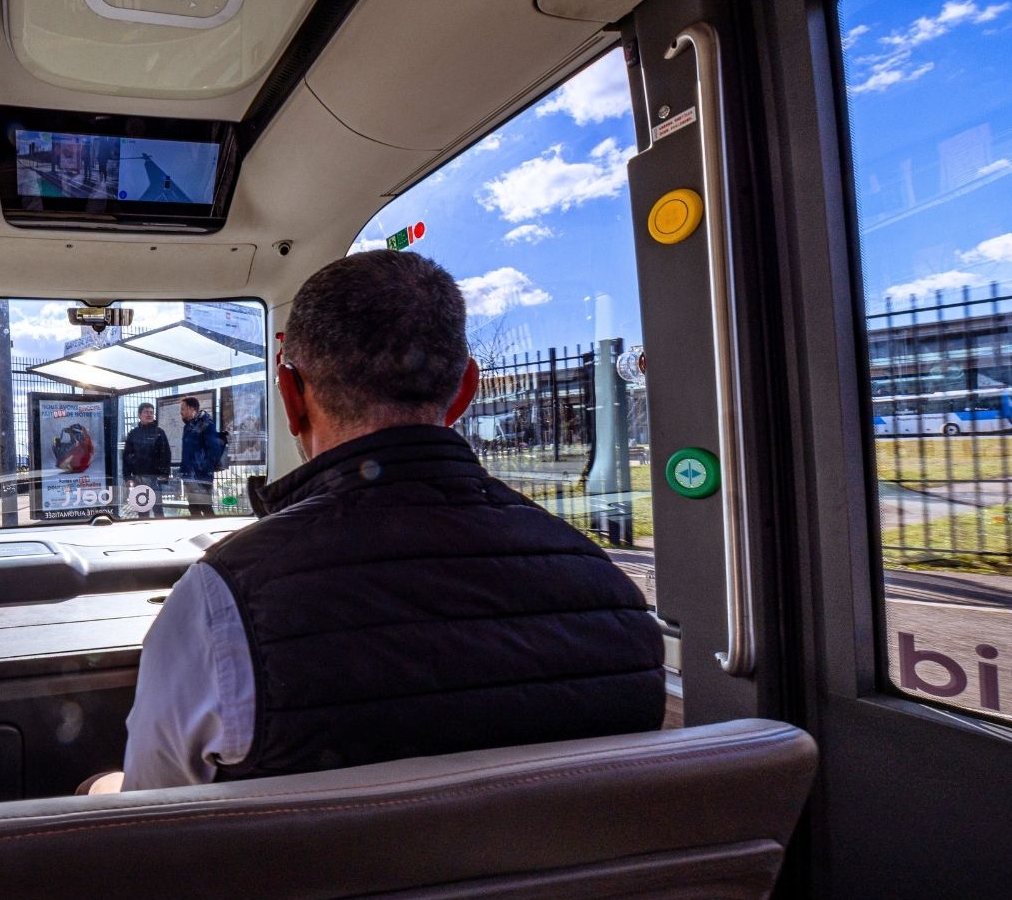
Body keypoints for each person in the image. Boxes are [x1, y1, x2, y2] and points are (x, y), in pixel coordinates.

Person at [119, 249, 664, 790]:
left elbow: (151, 818)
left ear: (291, 397)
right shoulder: (611, 593)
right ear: (464, 393)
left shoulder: (221, 604)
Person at [176, 395, 224, 517]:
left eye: (183, 409)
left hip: (201, 476)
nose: (180, 412)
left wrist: (204, 468)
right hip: (190, 475)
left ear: (192, 409)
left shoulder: (205, 424)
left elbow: (214, 449)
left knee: (206, 508)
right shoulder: (188, 426)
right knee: (194, 508)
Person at [121, 401, 171, 517]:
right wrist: (127, 476)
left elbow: (166, 454)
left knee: (158, 509)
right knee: (142, 509)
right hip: (139, 477)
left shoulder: (159, 433)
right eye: (146, 412)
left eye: (151, 412)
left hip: (156, 477)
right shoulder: (133, 434)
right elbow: (127, 456)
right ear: (139, 415)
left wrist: (165, 473)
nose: (149, 415)